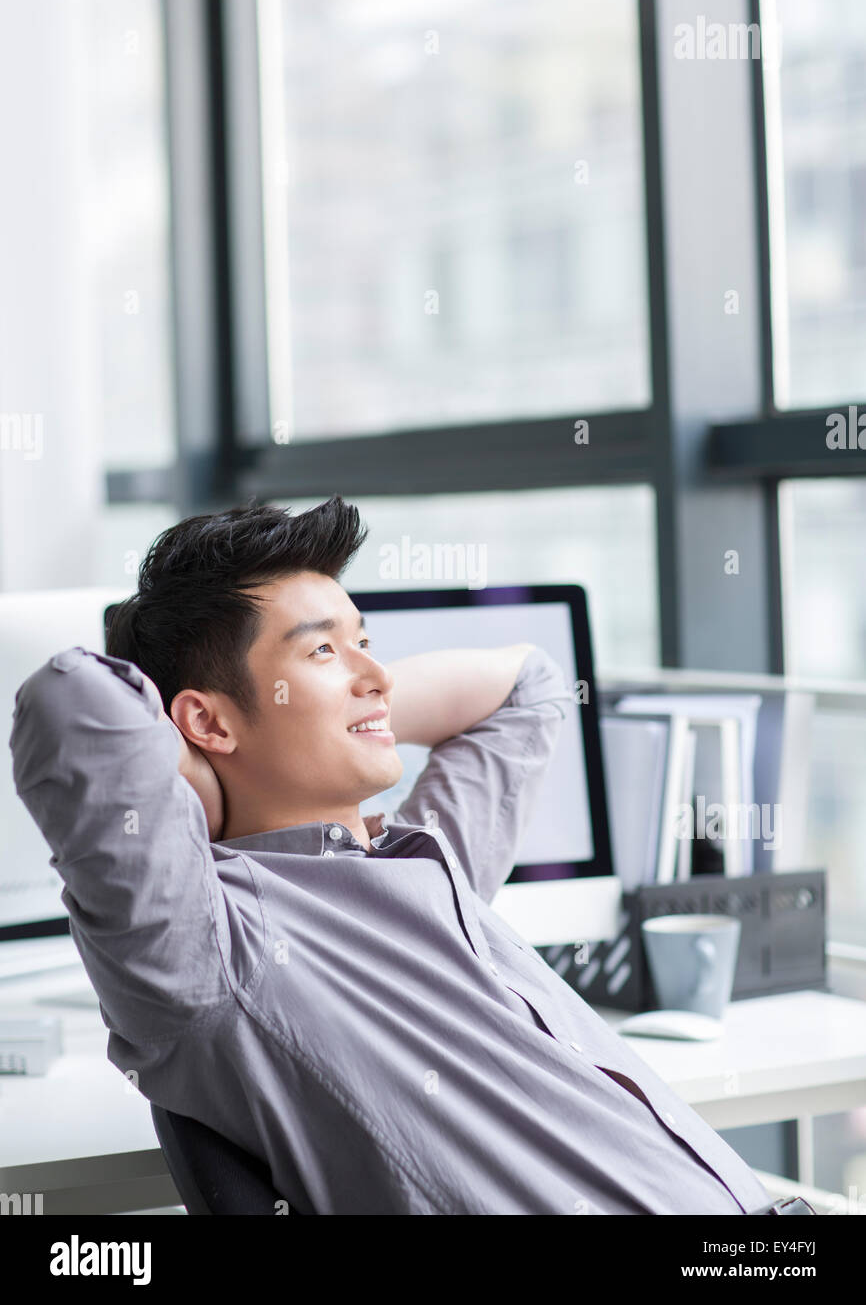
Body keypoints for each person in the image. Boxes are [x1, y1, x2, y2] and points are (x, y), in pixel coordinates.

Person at [9, 496, 787, 1214]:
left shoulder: (430, 862)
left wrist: (347, 708)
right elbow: (70, 701)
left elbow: (529, 687)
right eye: (321, 653)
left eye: (366, 643)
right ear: (204, 723)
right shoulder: (209, 951)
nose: (377, 676)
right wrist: (209, 771)